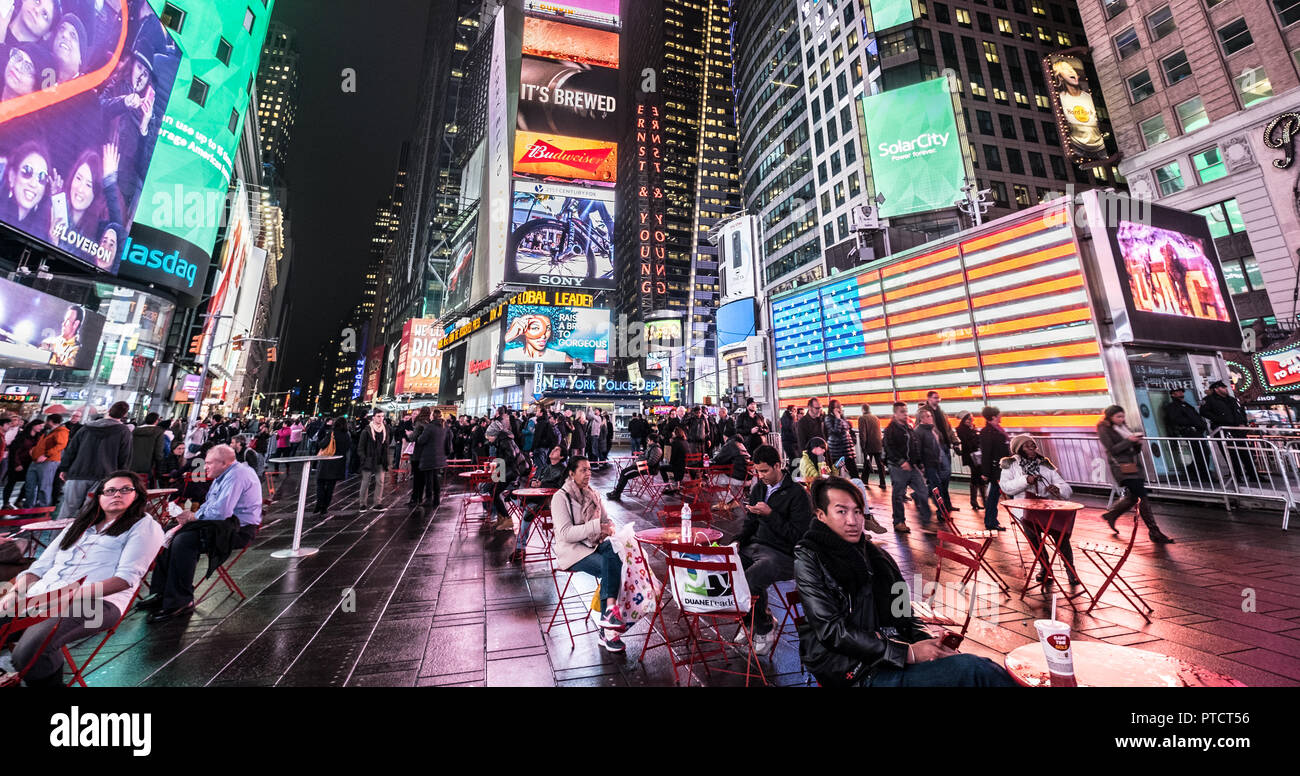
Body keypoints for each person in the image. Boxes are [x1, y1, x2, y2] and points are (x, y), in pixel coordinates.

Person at [792, 476, 1018, 687]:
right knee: (975, 670)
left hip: (895, 651)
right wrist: (908, 653)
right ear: (821, 515)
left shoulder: (876, 555)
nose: (852, 521)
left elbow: (903, 609)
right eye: (841, 512)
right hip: (856, 668)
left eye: (858, 512)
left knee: (974, 667)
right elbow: (832, 631)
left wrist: (928, 644)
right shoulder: (810, 556)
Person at [0, 472, 163, 686]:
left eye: (125, 489)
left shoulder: (143, 526)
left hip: (96, 602)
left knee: (33, 649)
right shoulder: (79, 526)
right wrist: (15, 592)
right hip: (40, 597)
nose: (117, 494)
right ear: (99, 497)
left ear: (137, 495)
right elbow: (39, 568)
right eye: (110, 490)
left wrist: (63, 597)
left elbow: (124, 579)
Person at [139, 445, 262, 622]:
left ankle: (180, 601)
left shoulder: (237, 475)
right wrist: (190, 517)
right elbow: (210, 505)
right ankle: (162, 593)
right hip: (221, 525)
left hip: (238, 530)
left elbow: (221, 512)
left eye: (209, 463)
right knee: (168, 532)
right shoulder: (224, 475)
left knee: (184, 541)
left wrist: (194, 516)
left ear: (225, 463)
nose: (205, 467)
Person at [731, 445, 813, 656]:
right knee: (728, 570)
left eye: (765, 471)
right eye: (758, 471)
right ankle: (750, 621)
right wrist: (739, 540)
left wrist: (770, 514)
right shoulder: (758, 488)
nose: (761, 476)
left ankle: (765, 626)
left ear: (778, 465)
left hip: (785, 554)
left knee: (752, 577)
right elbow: (750, 522)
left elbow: (799, 535)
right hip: (756, 546)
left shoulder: (797, 494)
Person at [550, 457, 628, 653]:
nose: (588, 474)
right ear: (571, 473)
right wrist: (597, 527)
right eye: (583, 470)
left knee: (616, 552)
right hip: (572, 550)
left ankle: (608, 617)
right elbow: (566, 534)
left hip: (593, 543)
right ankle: (608, 630)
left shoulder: (593, 493)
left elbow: (605, 519)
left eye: (589, 470)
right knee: (609, 567)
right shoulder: (561, 497)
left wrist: (608, 526)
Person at [999, 434, 1080, 585]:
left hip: (1047, 508)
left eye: (1033, 446)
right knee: (1034, 538)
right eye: (1027, 446)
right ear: (1018, 449)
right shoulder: (1010, 465)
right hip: (1025, 511)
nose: (1032, 449)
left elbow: (1066, 488)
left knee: (1062, 537)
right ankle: (1045, 568)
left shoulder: (1045, 465)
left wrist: (1058, 490)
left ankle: (1070, 570)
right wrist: (1025, 480)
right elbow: (1005, 487)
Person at [1097, 405, 1173, 543]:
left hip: (1134, 466)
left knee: (1133, 497)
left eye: (1123, 416)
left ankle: (1112, 514)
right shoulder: (1104, 428)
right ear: (1110, 417)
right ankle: (1154, 531)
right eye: (1118, 416)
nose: (1121, 419)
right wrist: (1129, 441)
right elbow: (1112, 449)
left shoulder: (1124, 427)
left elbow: (1134, 450)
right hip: (1121, 467)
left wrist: (1137, 443)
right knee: (1141, 496)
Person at [56, 401, 132, 519]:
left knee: (67, 510)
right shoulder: (123, 431)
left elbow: (72, 449)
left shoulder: (87, 427)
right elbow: (124, 456)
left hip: (78, 472)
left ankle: (58, 537)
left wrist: (65, 468)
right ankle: (81, 536)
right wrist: (121, 477)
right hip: (104, 476)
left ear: (109, 410)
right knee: (89, 512)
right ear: (124, 415)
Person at [883, 402, 931, 533]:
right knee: (898, 494)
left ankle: (926, 522)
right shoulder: (890, 430)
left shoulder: (908, 427)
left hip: (911, 466)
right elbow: (889, 448)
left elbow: (914, 446)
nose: (905, 414)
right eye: (902, 412)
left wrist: (919, 463)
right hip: (898, 467)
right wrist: (900, 461)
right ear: (895, 413)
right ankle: (899, 521)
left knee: (923, 491)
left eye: (906, 411)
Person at [1199, 380, 1258, 485]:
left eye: (1225, 387)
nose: (1225, 389)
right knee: (1231, 454)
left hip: (1238, 429)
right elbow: (1204, 412)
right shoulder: (1209, 400)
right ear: (1216, 389)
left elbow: (1241, 412)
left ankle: (1253, 475)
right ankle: (1236, 476)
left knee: (1246, 452)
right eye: (1222, 388)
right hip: (1224, 430)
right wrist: (1219, 420)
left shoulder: (1231, 399)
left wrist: (1243, 423)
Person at [1162, 386, 1211, 483]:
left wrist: (1201, 426)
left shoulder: (1187, 405)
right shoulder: (1172, 407)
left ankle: (1199, 472)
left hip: (1196, 431)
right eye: (1178, 392)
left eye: (1181, 392)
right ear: (1172, 394)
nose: (1181, 393)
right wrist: (1191, 424)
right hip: (1189, 432)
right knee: (1200, 452)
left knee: (1203, 452)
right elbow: (1175, 419)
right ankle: (1201, 475)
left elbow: (1197, 417)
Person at [923, 391, 958, 511]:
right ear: (928, 398)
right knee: (942, 476)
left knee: (946, 476)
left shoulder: (941, 412)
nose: (937, 400)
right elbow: (921, 430)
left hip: (945, 445)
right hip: (935, 447)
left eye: (939, 398)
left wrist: (955, 441)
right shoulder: (924, 412)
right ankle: (942, 507)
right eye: (935, 398)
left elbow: (948, 428)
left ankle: (946, 504)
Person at [23, 413, 67, 508]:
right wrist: (34, 450)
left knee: (44, 486)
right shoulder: (48, 431)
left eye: (47, 421)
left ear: (51, 421)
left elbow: (60, 445)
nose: (46, 423)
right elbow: (42, 444)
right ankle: (29, 505)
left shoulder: (61, 432)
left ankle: (43, 508)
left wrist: (46, 455)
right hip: (36, 461)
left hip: (49, 462)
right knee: (30, 484)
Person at [979, 406, 1010, 531]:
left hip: (1000, 467)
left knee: (995, 494)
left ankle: (991, 521)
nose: (1000, 416)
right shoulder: (987, 432)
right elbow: (986, 453)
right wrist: (985, 472)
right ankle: (991, 521)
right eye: (998, 415)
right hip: (995, 469)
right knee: (994, 495)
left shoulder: (995, 430)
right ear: (993, 417)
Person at [607, 432, 662, 501]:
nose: (647, 442)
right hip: (641, 466)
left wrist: (638, 463)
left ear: (652, 441)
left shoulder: (656, 449)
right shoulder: (651, 448)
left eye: (648, 440)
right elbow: (643, 456)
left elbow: (651, 463)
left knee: (626, 475)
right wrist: (637, 462)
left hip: (647, 469)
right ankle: (616, 492)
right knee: (624, 472)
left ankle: (617, 493)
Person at [913, 407, 946, 520]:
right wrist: (921, 465)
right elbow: (918, 449)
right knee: (936, 487)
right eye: (928, 416)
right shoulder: (918, 431)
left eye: (930, 416)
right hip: (928, 464)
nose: (930, 418)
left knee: (933, 486)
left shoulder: (931, 430)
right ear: (922, 418)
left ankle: (917, 496)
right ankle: (941, 512)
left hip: (935, 462)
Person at [313, 417, 351, 515]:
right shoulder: (347, 435)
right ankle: (325, 507)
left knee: (320, 483)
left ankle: (319, 503)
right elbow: (347, 448)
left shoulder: (332, 433)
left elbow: (322, 444)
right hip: (338, 463)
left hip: (327, 462)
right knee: (331, 486)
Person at [415, 410, 452, 510]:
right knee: (435, 478)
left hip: (429, 456)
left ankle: (428, 499)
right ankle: (436, 498)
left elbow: (421, 440)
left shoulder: (430, 427)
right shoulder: (444, 426)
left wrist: (418, 435)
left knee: (429, 479)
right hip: (440, 456)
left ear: (433, 416)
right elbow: (450, 437)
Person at [357, 410, 389, 511]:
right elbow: (360, 447)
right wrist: (364, 458)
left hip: (380, 459)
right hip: (369, 459)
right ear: (373, 417)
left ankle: (377, 503)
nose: (381, 418)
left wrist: (386, 459)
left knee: (380, 481)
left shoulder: (386, 430)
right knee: (365, 482)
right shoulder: (366, 431)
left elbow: (386, 445)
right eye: (378, 416)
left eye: (382, 416)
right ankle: (362, 504)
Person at [4, 418, 41, 507]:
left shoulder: (38, 437)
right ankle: (6, 502)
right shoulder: (22, 436)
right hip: (17, 462)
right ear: (33, 425)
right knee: (11, 483)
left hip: (29, 463)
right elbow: (15, 450)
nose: (41, 427)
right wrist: (17, 464)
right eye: (39, 425)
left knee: (27, 482)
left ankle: (19, 500)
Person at [955, 412, 984, 511]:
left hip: (977, 455)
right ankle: (976, 501)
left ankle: (977, 501)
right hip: (971, 456)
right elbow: (968, 442)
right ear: (963, 420)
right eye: (968, 419)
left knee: (977, 476)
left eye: (971, 419)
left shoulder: (972, 428)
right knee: (976, 476)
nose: (970, 421)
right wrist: (974, 434)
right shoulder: (960, 429)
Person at [824, 400, 859, 480]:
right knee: (835, 472)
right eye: (837, 407)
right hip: (837, 451)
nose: (839, 409)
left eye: (840, 406)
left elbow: (847, 430)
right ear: (832, 408)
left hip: (847, 450)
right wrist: (838, 418)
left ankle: (857, 488)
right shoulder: (828, 418)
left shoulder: (842, 417)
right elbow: (835, 431)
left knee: (854, 472)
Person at [129, 411, 166, 486]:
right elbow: (158, 452)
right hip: (148, 465)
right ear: (156, 421)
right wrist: (159, 468)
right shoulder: (158, 432)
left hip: (131, 464)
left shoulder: (135, 430)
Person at [857, 404, 886, 489]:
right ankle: (882, 482)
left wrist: (863, 446)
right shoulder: (875, 418)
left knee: (867, 463)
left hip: (869, 445)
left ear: (862, 410)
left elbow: (863, 433)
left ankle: (864, 481)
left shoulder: (862, 418)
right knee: (880, 465)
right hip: (878, 444)